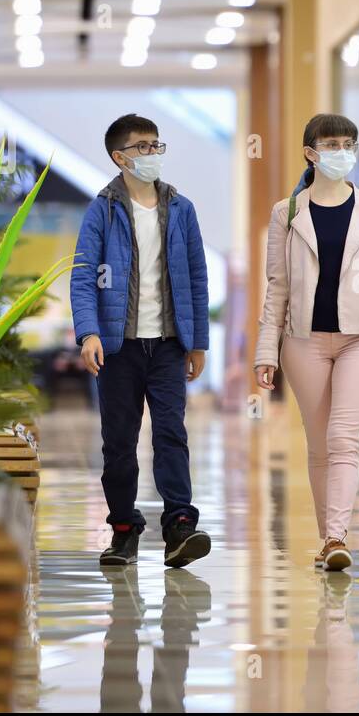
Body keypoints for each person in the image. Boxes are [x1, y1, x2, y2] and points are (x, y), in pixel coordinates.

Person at [254, 113, 359, 572]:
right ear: (310, 152)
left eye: (348, 143)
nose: (341, 151)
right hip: (303, 342)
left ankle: (339, 536)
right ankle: (328, 542)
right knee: (319, 445)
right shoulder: (288, 212)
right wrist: (266, 352)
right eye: (332, 144)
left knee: (344, 438)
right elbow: (276, 287)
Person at [70, 113, 213, 569]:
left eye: (156, 145)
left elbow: (196, 277)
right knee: (119, 442)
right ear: (120, 157)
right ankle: (124, 529)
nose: (153, 154)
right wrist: (88, 332)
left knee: (172, 434)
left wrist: (198, 341)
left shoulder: (181, 208)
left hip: (168, 344)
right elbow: (82, 275)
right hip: (118, 348)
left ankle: (179, 527)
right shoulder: (103, 210)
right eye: (143, 147)